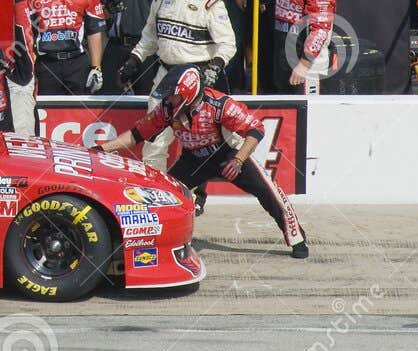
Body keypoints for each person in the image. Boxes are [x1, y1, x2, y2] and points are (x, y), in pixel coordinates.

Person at [101, 64, 308, 257]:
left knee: (268, 191)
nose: (169, 99)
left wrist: (238, 160)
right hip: (193, 159)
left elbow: (256, 130)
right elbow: (137, 133)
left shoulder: (220, 104)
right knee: (160, 195)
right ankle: (152, 241)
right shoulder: (167, 109)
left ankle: (297, 238)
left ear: (187, 94)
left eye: (173, 96)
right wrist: (103, 148)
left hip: (228, 154)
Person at [119, 0, 237, 168]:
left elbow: (228, 44)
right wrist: (134, 60)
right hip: (165, 76)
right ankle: (156, 193)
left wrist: (215, 67)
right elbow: (150, 36)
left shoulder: (210, 2)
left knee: (200, 142)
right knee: (153, 142)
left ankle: (198, 197)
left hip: (197, 77)